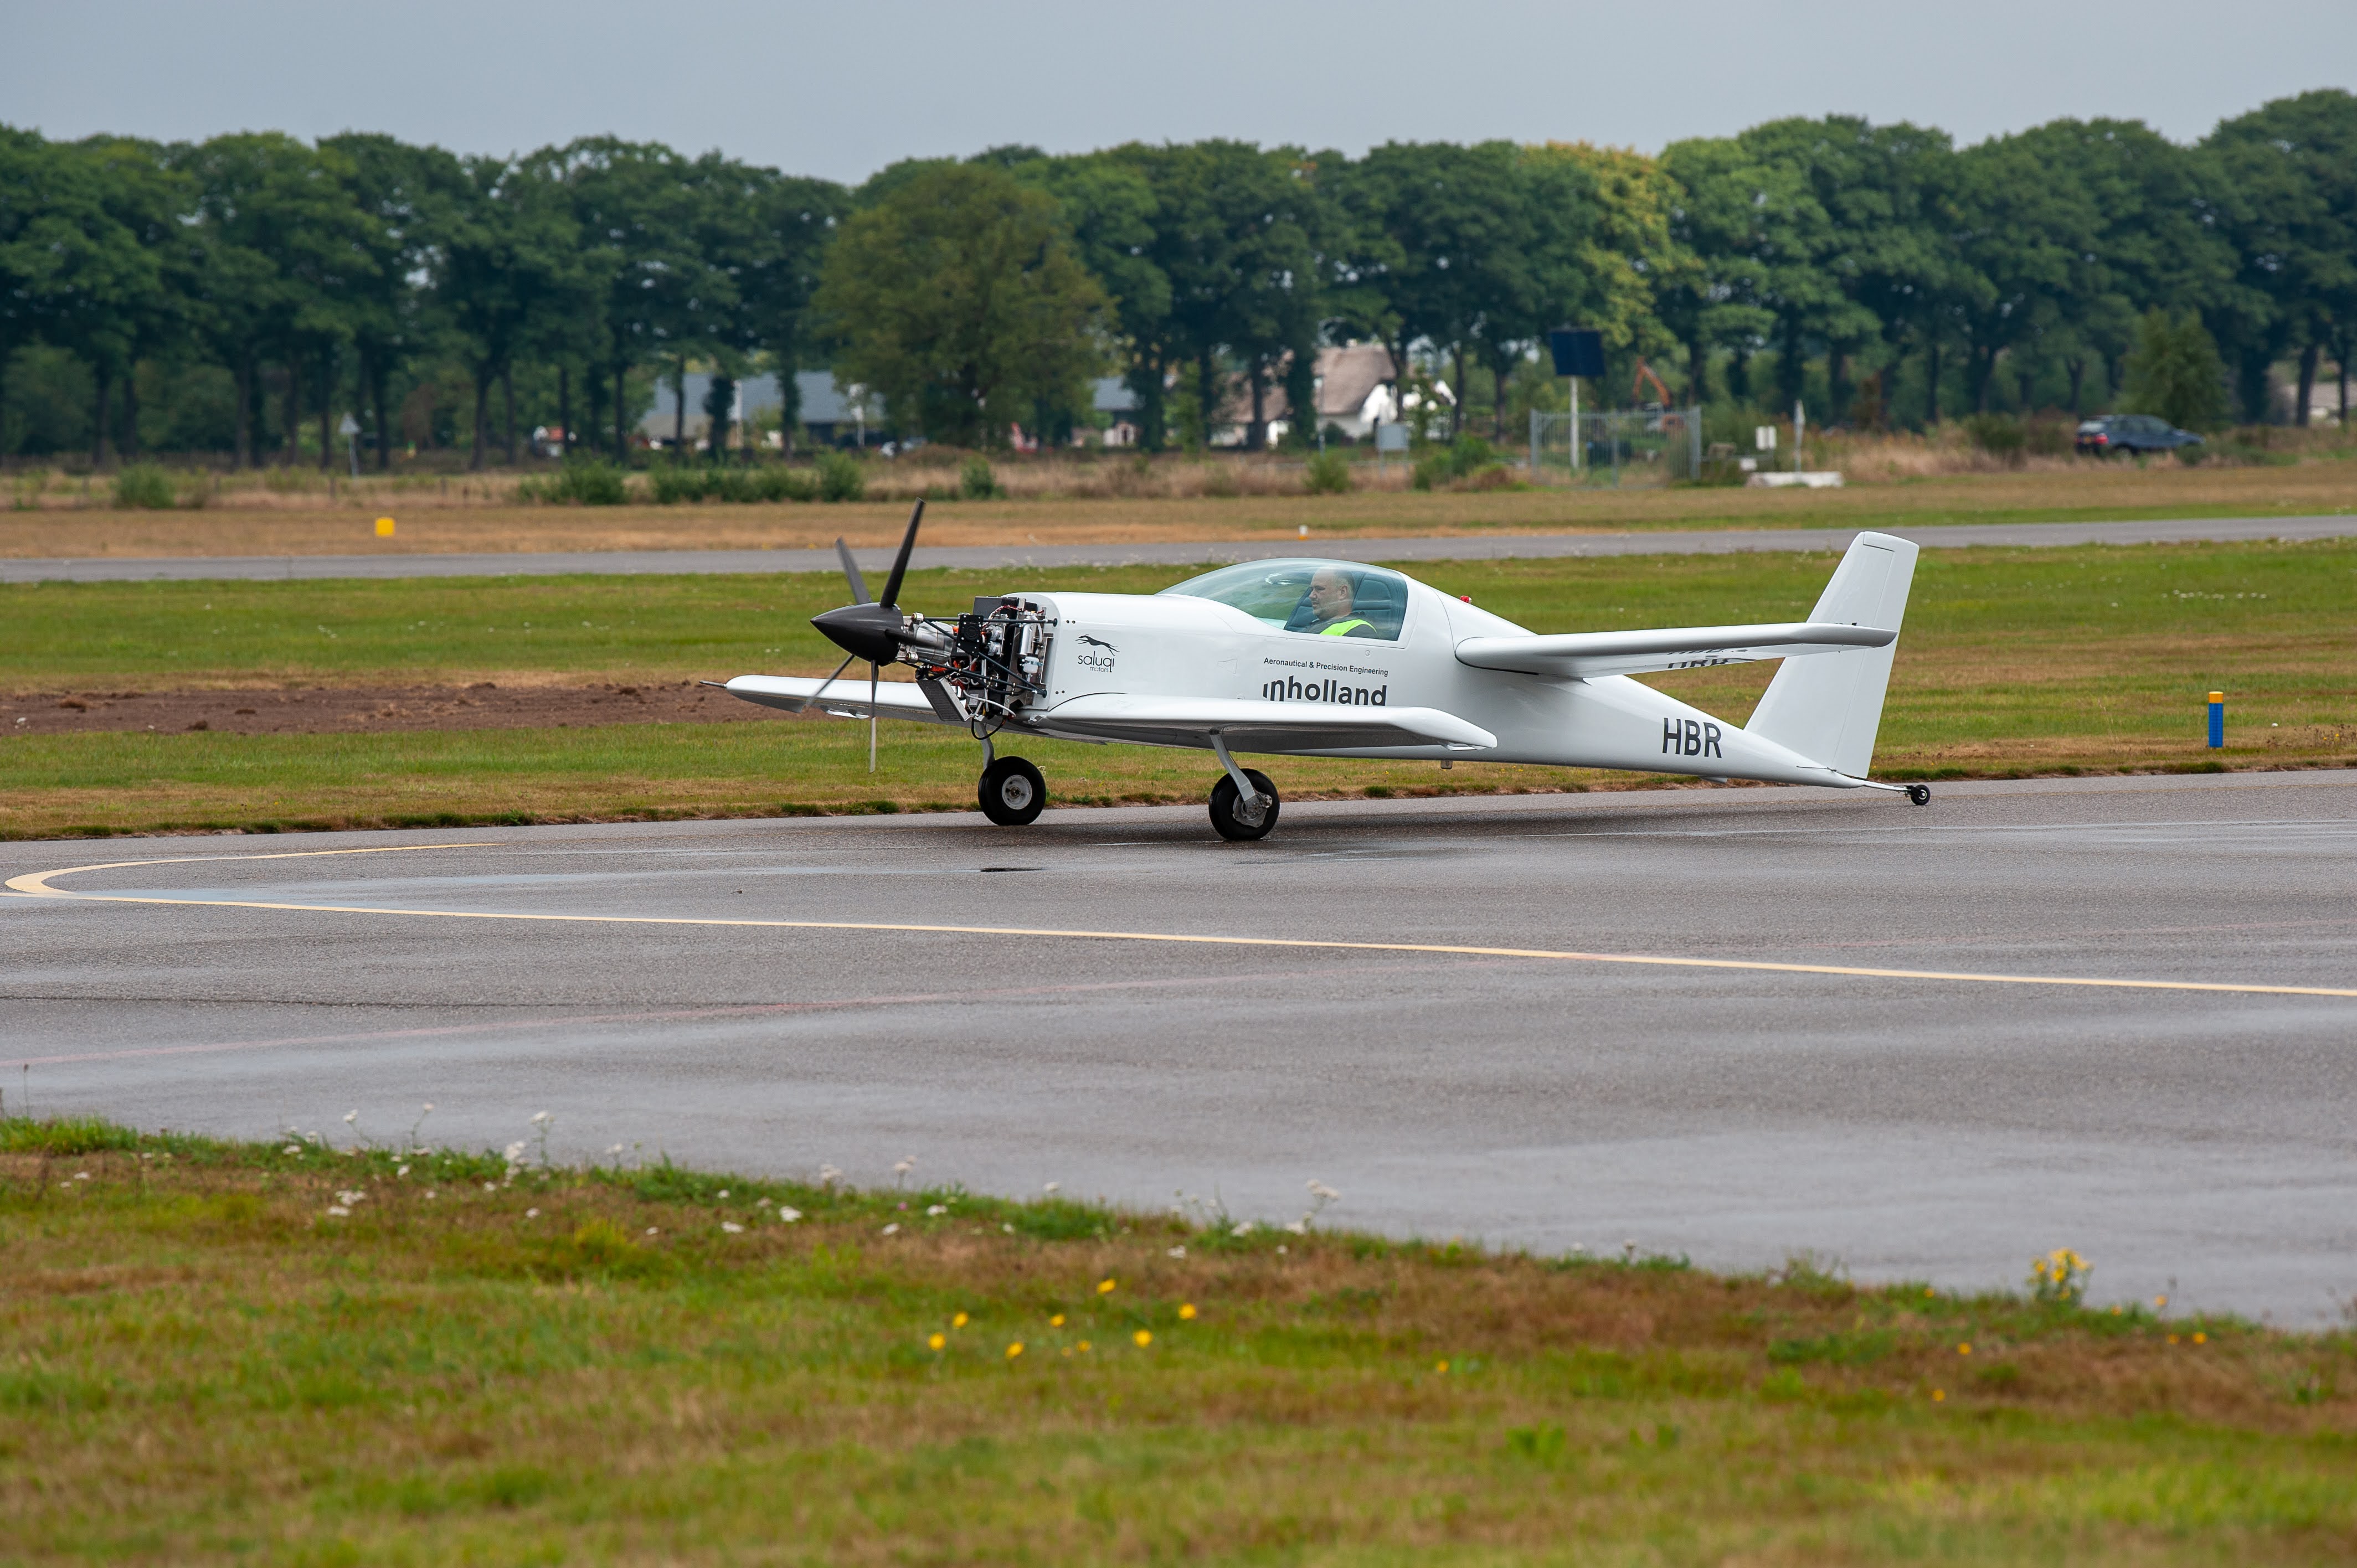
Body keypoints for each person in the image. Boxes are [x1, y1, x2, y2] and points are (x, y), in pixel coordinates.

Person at [1301, 568, 1376, 636]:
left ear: (1342, 592)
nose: (1311, 596)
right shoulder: (1315, 624)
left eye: (1319, 589)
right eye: (1312, 590)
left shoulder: (1361, 631)